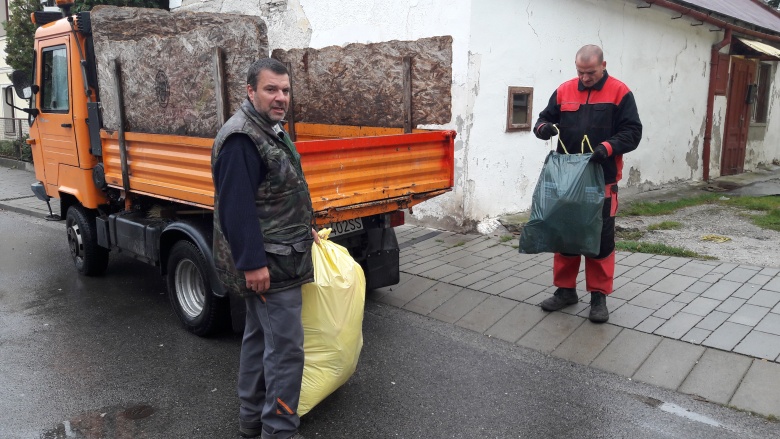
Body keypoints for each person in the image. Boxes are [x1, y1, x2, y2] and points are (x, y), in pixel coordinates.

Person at [212, 58, 318, 439]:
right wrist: (253, 263)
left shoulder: (269, 129)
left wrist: (307, 225)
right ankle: (279, 430)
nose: (280, 97)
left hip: (282, 253)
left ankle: (252, 421)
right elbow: (235, 207)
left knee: (260, 341)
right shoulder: (242, 137)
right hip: (272, 265)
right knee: (286, 352)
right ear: (250, 91)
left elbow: (278, 191)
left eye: (285, 90)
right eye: (271, 89)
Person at [533, 45, 642, 323]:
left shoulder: (620, 92)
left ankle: (598, 298)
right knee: (565, 236)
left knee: (600, 241)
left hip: (601, 179)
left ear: (603, 65)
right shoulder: (563, 90)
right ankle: (565, 291)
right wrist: (543, 129)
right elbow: (543, 120)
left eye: (590, 72)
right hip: (566, 180)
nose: (584, 78)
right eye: (580, 72)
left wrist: (607, 147)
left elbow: (632, 133)